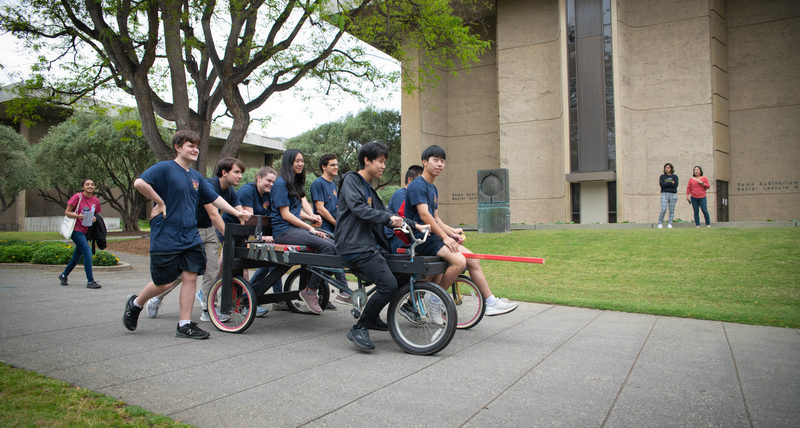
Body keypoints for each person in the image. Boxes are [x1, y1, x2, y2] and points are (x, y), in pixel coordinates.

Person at [123, 130, 250, 339]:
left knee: (190, 276)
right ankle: (136, 303)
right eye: (190, 145)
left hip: (190, 236)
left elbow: (214, 198)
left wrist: (236, 211)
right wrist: (160, 201)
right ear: (178, 147)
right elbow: (139, 183)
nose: (195, 149)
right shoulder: (165, 168)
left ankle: (184, 324)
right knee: (164, 282)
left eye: (197, 146)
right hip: (166, 235)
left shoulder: (196, 177)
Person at [406, 145, 518, 318]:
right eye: (436, 160)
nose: (440, 164)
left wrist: (451, 234)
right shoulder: (417, 185)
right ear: (424, 162)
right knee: (459, 262)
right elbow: (424, 215)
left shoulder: (433, 188)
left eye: (442, 161)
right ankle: (435, 300)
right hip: (421, 238)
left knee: (472, 259)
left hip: (434, 237)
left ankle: (490, 302)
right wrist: (445, 237)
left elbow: (435, 218)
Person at [336, 142, 427, 350]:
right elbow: (359, 209)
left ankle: (373, 314)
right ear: (367, 161)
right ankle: (359, 327)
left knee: (403, 274)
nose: (383, 166)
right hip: (353, 246)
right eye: (380, 161)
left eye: (384, 162)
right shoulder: (352, 179)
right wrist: (389, 221)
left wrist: (417, 225)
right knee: (388, 285)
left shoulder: (369, 190)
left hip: (368, 246)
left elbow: (389, 214)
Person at [144, 157, 247, 322]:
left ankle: (208, 308)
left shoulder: (229, 191)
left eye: (241, 172)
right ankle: (156, 297)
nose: (240, 176)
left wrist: (245, 220)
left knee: (212, 269)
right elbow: (214, 214)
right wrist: (228, 238)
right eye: (236, 172)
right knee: (181, 273)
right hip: (192, 231)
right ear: (224, 172)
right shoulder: (209, 184)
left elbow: (240, 211)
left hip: (208, 231)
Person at [269, 149, 338, 314]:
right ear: (288, 162)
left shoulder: (294, 184)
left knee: (334, 245)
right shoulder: (280, 184)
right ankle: (311, 290)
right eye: (296, 161)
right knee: (327, 247)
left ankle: (313, 284)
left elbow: (295, 211)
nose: (300, 164)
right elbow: (285, 215)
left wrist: (310, 217)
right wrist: (310, 228)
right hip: (284, 232)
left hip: (294, 229)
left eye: (302, 161)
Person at [239, 166, 281, 313]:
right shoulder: (247, 191)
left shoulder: (268, 195)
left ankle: (257, 299)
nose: (271, 184)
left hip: (254, 232)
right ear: (258, 178)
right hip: (235, 231)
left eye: (273, 182)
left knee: (268, 261)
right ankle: (245, 303)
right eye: (268, 180)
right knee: (237, 268)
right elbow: (248, 219)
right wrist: (262, 237)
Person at [310, 154, 350, 306]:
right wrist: (336, 223)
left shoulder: (334, 185)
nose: (336, 167)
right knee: (337, 252)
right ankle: (344, 291)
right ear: (324, 167)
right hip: (324, 229)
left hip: (335, 229)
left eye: (336, 164)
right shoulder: (318, 184)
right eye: (332, 165)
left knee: (340, 257)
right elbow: (320, 208)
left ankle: (323, 292)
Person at [58, 178, 102, 289]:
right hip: (75, 229)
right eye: (87, 184)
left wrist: (94, 219)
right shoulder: (77, 197)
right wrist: (78, 216)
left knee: (77, 256)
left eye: (92, 184)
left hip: (86, 230)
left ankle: (64, 275)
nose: (90, 186)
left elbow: (96, 215)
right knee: (87, 252)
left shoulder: (95, 201)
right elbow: (67, 212)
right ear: (83, 187)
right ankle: (90, 281)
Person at [384, 164, 424, 253]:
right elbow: (403, 220)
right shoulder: (401, 195)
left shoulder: (415, 195)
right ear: (410, 180)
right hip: (396, 237)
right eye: (420, 181)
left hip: (410, 235)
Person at [657, 162, 679, 229]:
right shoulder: (662, 176)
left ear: (671, 168)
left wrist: (666, 183)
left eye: (668, 167)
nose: (667, 169)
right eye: (666, 168)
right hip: (664, 194)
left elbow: (675, 185)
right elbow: (662, 185)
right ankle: (660, 223)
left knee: (671, 210)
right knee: (663, 209)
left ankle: (669, 223)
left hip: (673, 194)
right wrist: (670, 182)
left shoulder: (675, 177)